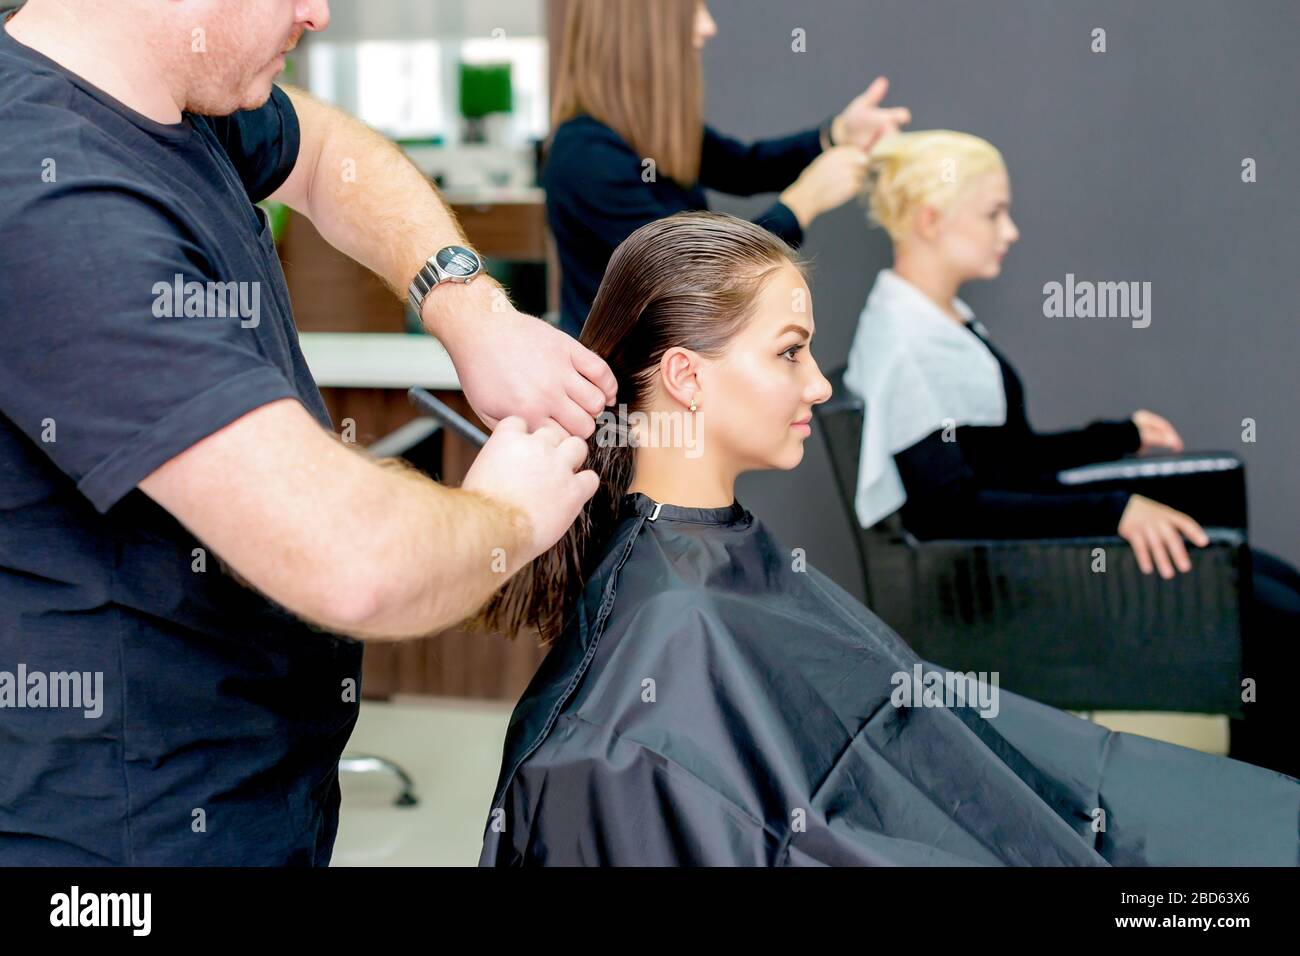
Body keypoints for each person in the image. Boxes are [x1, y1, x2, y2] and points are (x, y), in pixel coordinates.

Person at [476, 211, 1298, 867]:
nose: (821, 384)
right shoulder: (664, 639)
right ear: (688, 376)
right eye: (791, 354)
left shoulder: (711, 572)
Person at [0, 0, 613, 865]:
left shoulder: (178, 101)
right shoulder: (52, 197)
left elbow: (328, 155)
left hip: (259, 789)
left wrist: (472, 311)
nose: (317, 13)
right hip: (120, 836)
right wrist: (509, 521)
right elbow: (352, 564)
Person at [844, 130, 1299, 777]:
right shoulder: (906, 343)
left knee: (1271, 582)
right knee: (1275, 621)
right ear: (930, 220)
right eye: (994, 213)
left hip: (1028, 561)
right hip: (1014, 593)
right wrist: (1115, 511)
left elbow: (1012, 459)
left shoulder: (939, 322)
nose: (1011, 232)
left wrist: (1117, 434)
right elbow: (949, 508)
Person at [544, 0, 910, 336]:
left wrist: (834, 134)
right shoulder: (586, 156)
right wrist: (804, 201)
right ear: (640, 30)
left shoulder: (647, 134)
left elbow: (746, 167)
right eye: (693, 11)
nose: (708, 27)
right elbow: (695, 278)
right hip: (617, 390)